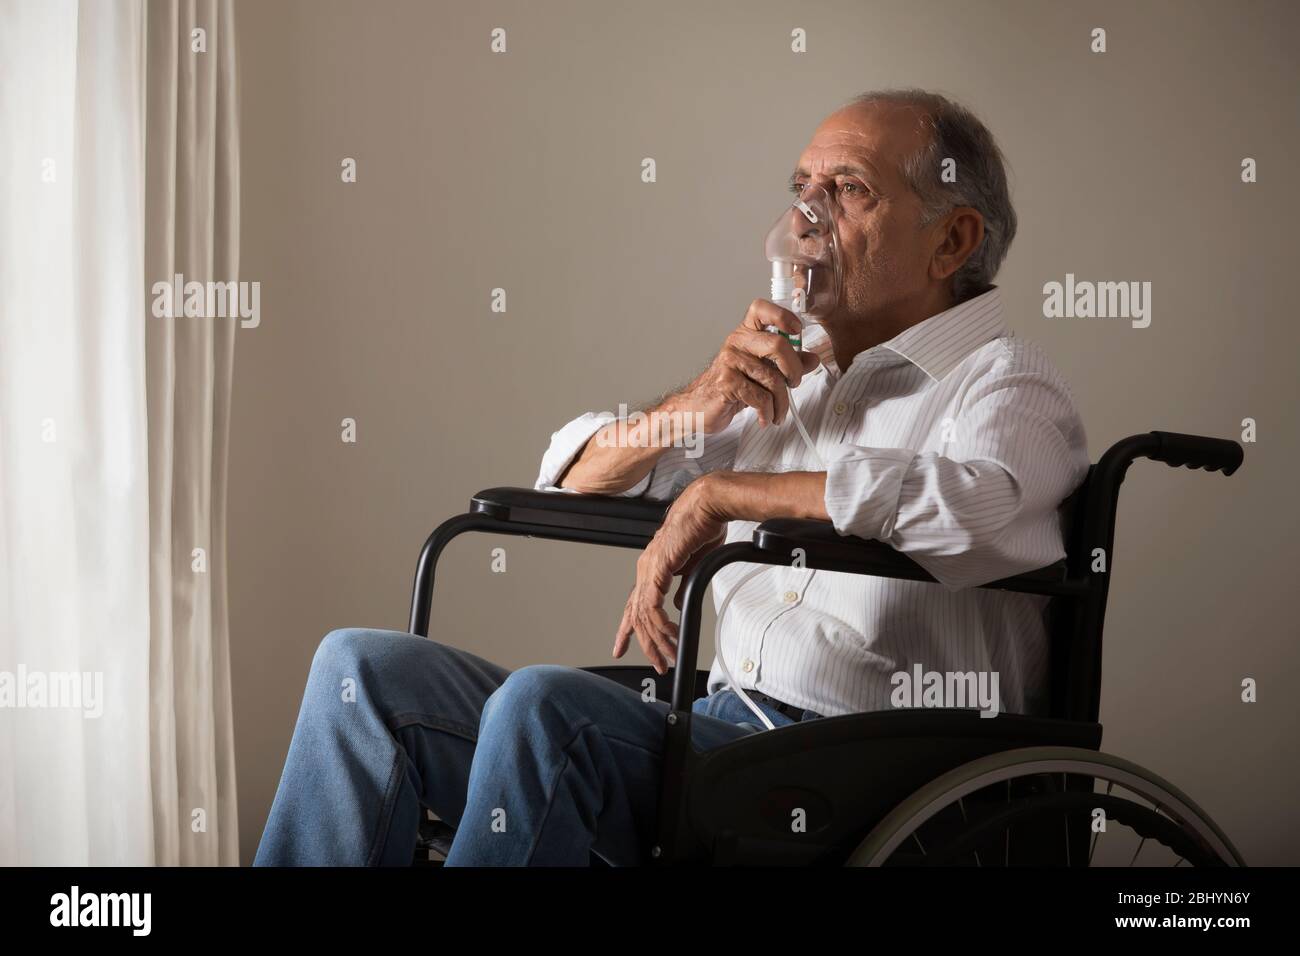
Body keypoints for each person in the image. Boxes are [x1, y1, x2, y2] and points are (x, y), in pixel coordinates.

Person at [253, 89, 1089, 867]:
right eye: (803, 187)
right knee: (360, 671)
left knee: (547, 710)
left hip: (875, 770)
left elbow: (979, 509)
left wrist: (722, 495)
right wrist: (699, 403)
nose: (807, 218)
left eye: (849, 190)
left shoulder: (1006, 382)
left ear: (953, 240)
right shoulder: (796, 382)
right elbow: (577, 479)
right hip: (720, 729)